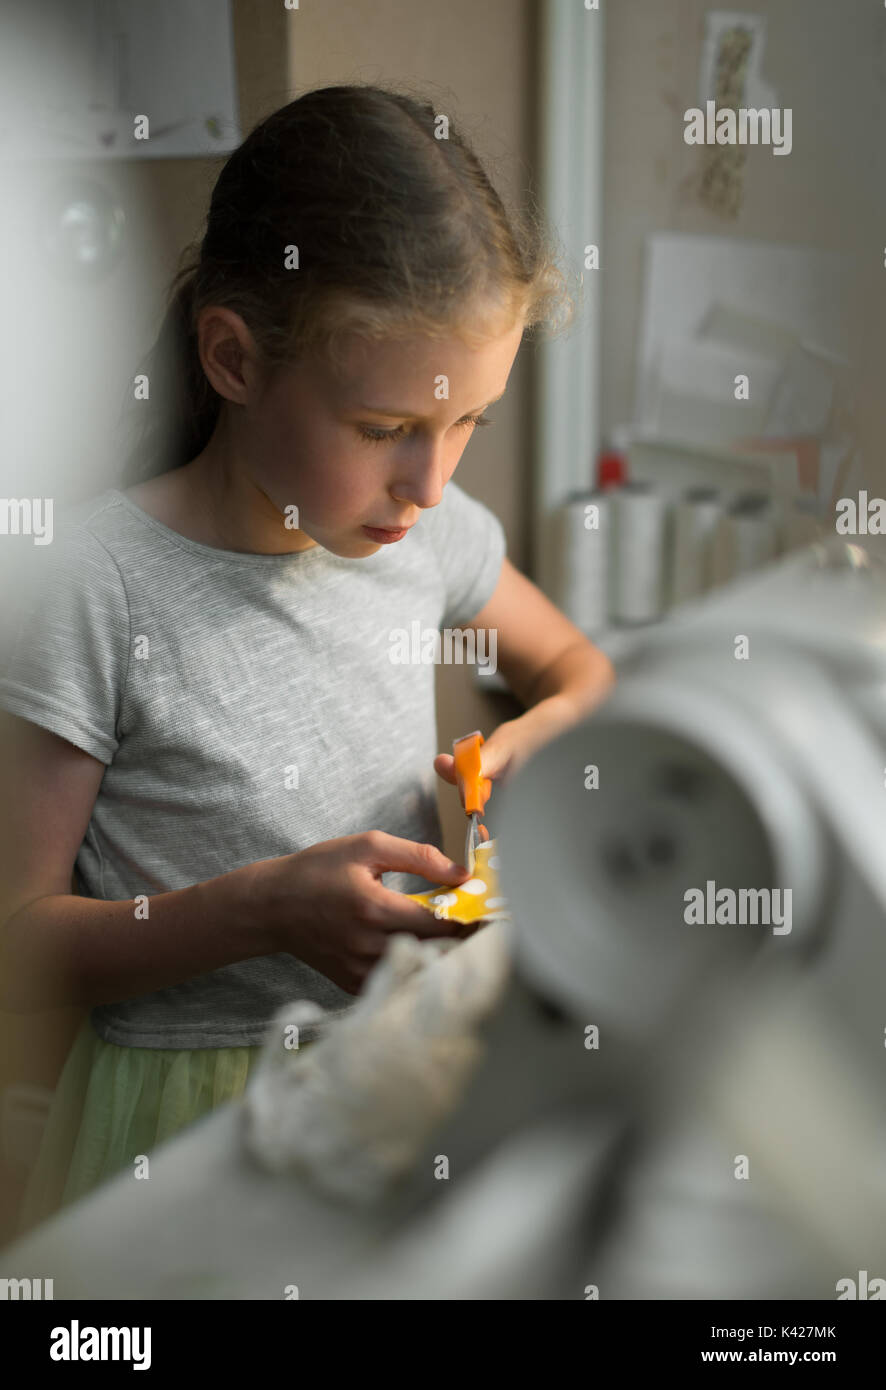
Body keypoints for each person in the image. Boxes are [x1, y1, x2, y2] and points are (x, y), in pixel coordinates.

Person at [0, 85, 615, 1235]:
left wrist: (544, 731)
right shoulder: (92, 585)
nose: (432, 483)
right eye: (386, 431)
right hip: (177, 1132)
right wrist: (261, 913)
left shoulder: (427, 532)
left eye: (470, 420)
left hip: (385, 1081)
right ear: (233, 358)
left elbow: (582, 669)